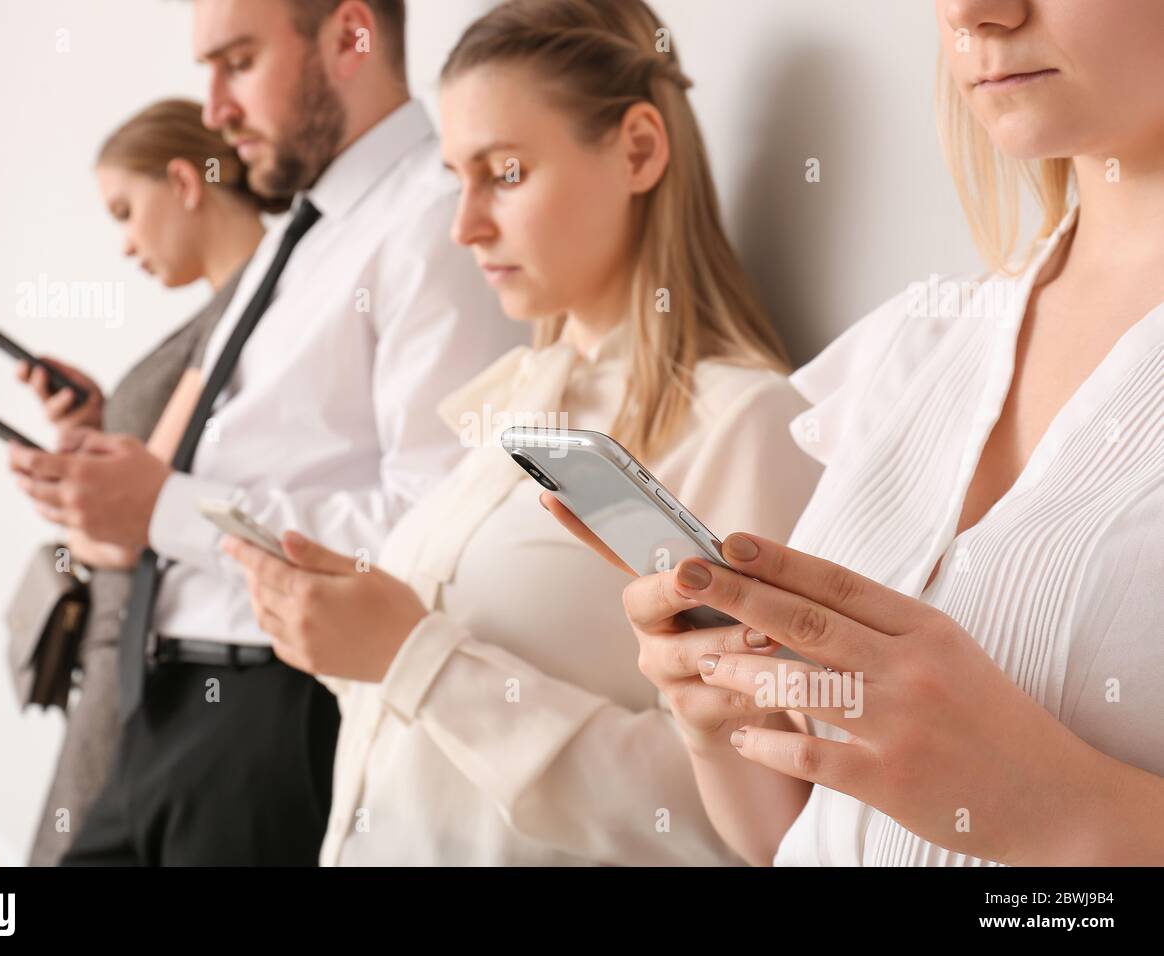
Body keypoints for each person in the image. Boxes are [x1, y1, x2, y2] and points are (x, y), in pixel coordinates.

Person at [555, 0, 1164, 866]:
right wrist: (727, 718)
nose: (972, 12)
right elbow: (791, 836)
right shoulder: (912, 348)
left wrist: (1057, 807)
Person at [222, 0, 823, 865]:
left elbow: (753, 831)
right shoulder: (516, 412)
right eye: (455, 178)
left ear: (639, 151)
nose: (464, 224)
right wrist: (340, 631)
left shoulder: (747, 426)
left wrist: (416, 658)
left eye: (503, 173)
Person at [11, 0, 522, 865]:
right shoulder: (301, 233)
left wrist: (167, 508)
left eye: (238, 62)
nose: (211, 108)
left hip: (269, 720)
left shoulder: (438, 228)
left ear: (351, 36)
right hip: (165, 705)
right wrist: (119, 476)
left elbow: (435, 537)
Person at [17, 98, 277, 866]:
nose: (125, 245)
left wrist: (75, 489)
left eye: (127, 211)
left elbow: (126, 522)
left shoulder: (245, 315)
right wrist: (96, 430)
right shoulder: (222, 315)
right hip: (133, 640)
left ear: (183, 180)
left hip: (140, 640)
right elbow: (167, 473)